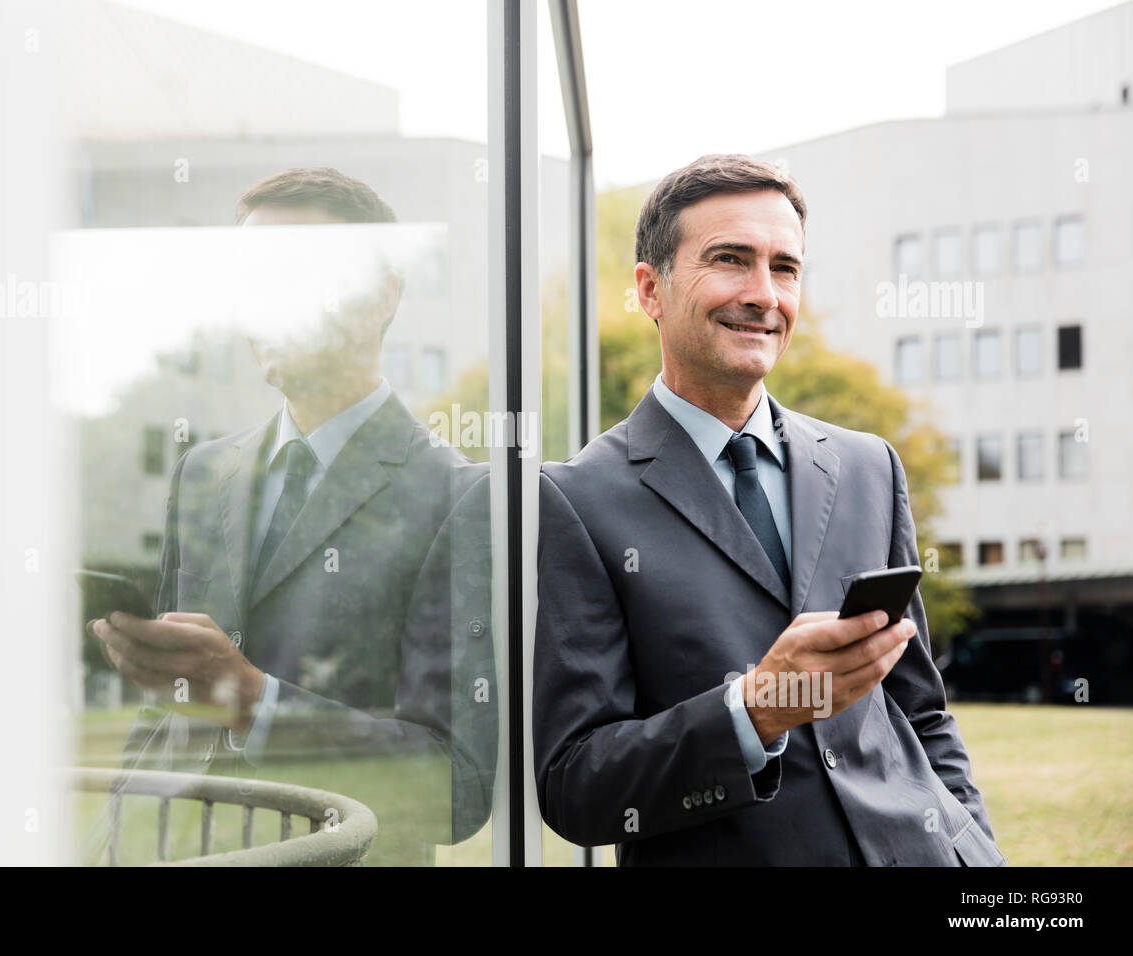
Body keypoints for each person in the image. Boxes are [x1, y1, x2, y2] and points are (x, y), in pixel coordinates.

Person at [532, 154, 1004, 866]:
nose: (763, 294)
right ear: (650, 289)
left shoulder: (868, 467)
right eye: (730, 259)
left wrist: (976, 850)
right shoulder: (576, 500)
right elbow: (576, 787)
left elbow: (920, 708)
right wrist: (756, 710)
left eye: (784, 268)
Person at [91, 167, 496, 865]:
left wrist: (253, 701)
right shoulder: (203, 474)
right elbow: (165, 718)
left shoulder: (461, 498)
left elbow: (454, 788)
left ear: (384, 296)